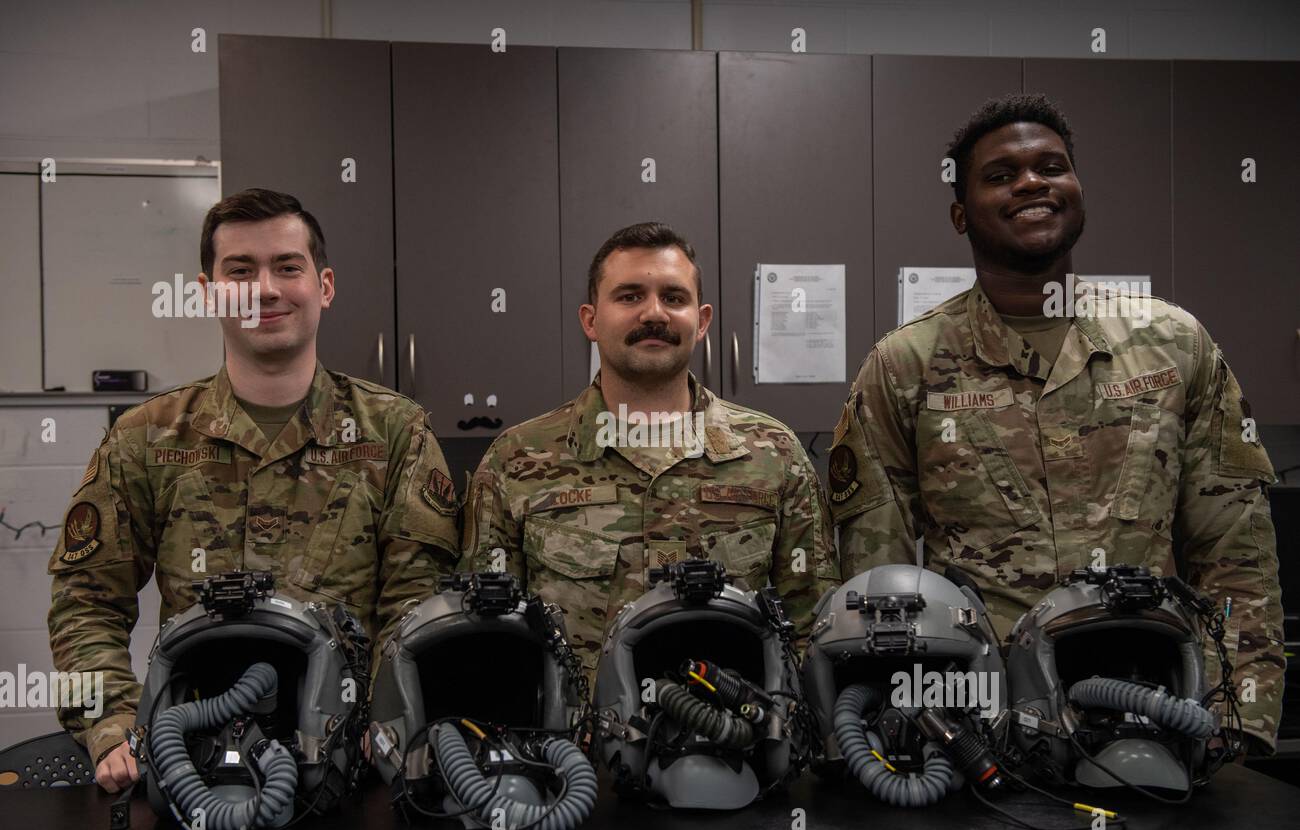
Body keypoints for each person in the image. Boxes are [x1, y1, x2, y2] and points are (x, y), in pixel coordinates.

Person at [828, 94, 1284, 755]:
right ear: (961, 215)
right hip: (982, 733)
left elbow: (1236, 555)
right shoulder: (906, 365)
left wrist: (1238, 726)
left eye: (1052, 166)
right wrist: (893, 738)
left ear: (1077, 190)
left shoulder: (1173, 344)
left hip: (1153, 713)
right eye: (1000, 174)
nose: (1032, 183)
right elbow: (876, 586)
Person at [48, 188, 460, 791]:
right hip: (191, 763)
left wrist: (392, 724)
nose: (264, 289)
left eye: (287, 267)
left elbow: (419, 606)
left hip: (353, 769)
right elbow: (85, 601)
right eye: (240, 270)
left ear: (324, 286)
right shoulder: (148, 437)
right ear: (208, 292)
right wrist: (111, 721)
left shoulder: (395, 432)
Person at [460, 222, 838, 676]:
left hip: (735, 735)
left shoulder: (774, 455)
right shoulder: (516, 461)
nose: (653, 314)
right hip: (575, 743)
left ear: (702, 323)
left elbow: (812, 630)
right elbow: (484, 634)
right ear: (590, 321)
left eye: (674, 298)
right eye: (629, 296)